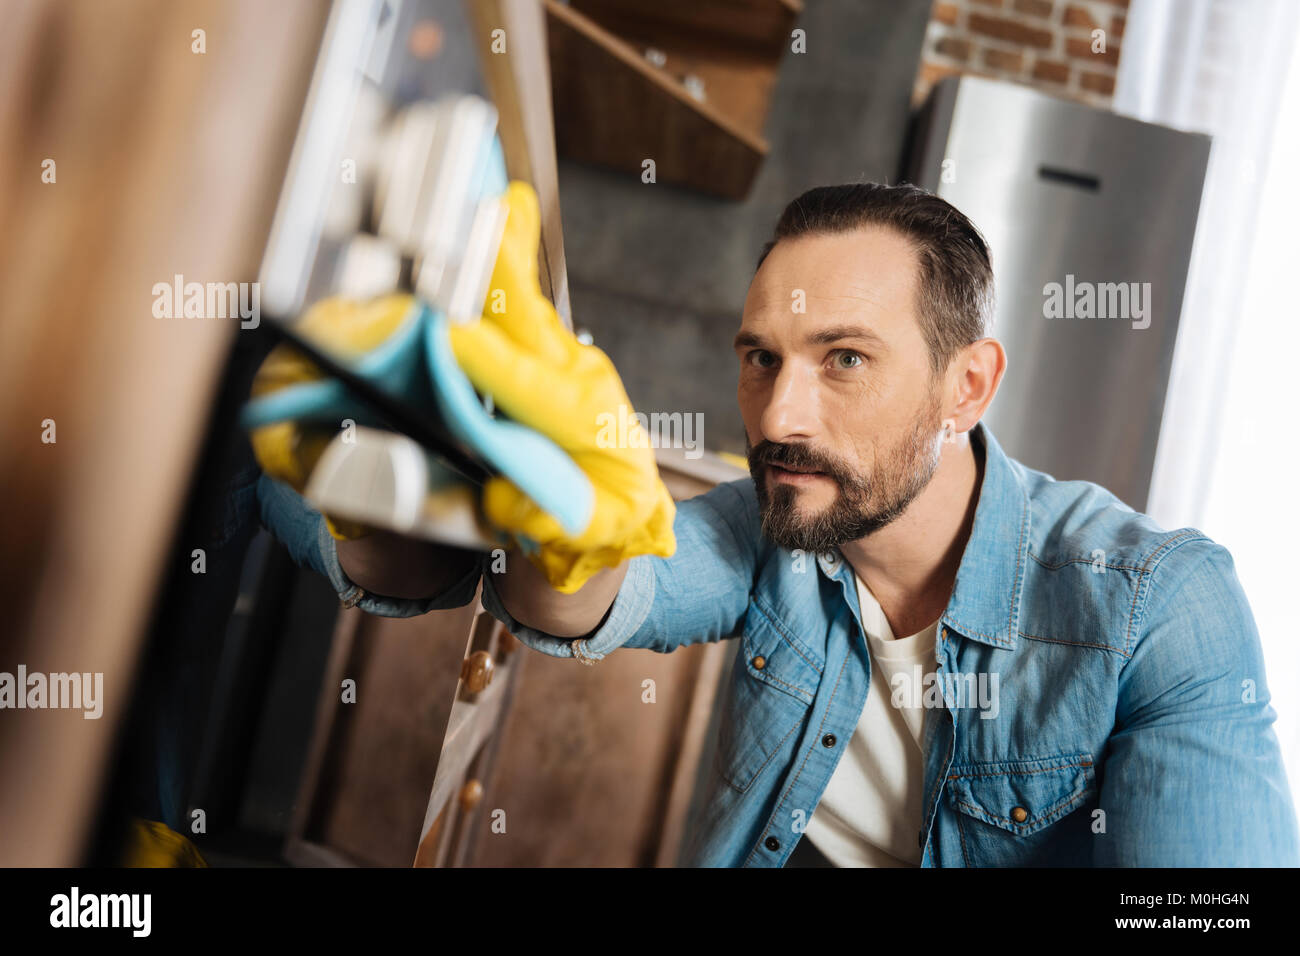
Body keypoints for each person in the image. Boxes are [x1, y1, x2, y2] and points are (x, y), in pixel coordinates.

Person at [255, 181, 1300, 868]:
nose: (780, 418)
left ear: (966, 386)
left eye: (844, 359)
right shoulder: (781, 528)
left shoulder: (1160, 607)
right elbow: (611, 592)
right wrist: (560, 529)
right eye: (761, 358)